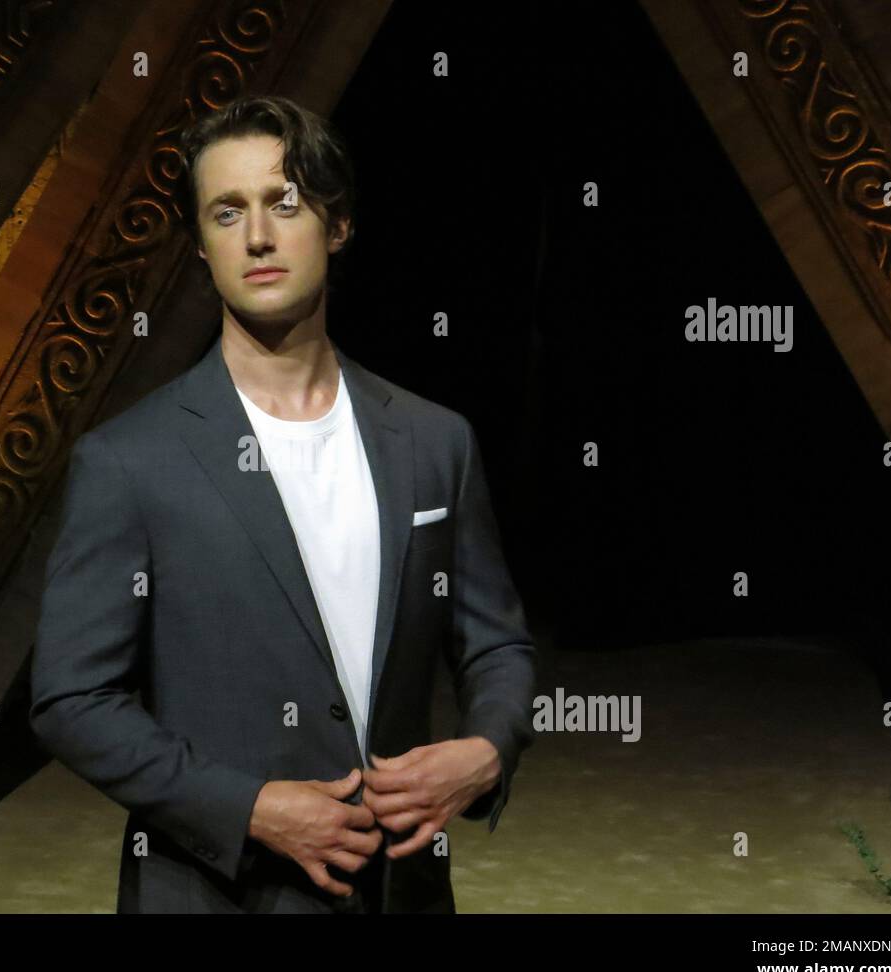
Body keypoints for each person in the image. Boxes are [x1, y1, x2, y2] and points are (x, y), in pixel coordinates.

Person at [29, 95, 536, 913]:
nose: (257, 236)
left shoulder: (437, 441)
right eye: (227, 213)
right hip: (216, 893)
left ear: (337, 226)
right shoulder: (129, 461)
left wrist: (486, 749)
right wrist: (248, 809)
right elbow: (70, 701)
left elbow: (497, 644)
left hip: (400, 892)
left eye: (284, 203)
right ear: (201, 245)